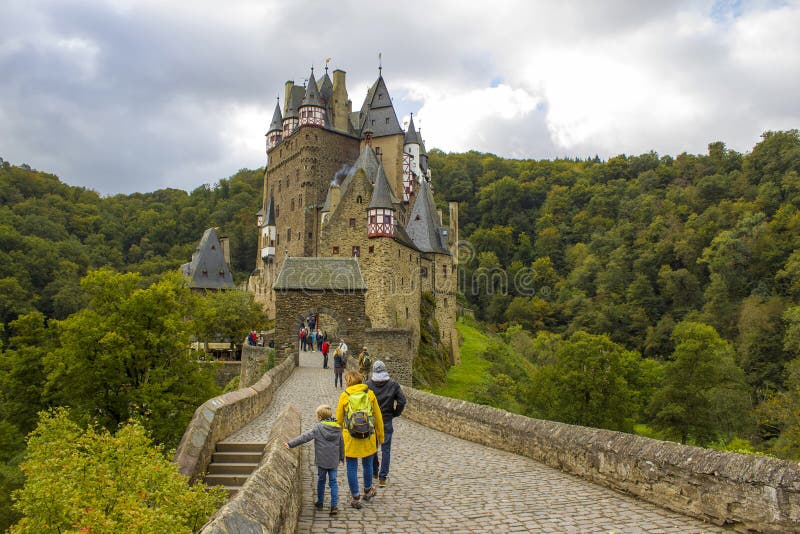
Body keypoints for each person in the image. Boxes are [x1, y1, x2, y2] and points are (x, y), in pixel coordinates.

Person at [336, 370, 384, 510]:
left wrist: (337, 439)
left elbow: (338, 420)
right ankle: (368, 491)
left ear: (348, 382)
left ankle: (356, 497)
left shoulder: (345, 396)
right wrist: (380, 436)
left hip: (350, 437)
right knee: (367, 464)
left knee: (351, 467)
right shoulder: (369, 394)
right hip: (368, 436)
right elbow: (378, 417)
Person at [285, 404, 344, 516]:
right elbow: (342, 444)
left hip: (322, 460)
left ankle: (320, 502)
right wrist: (341, 457)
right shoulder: (337, 428)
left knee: (321, 480)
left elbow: (304, 437)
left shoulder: (318, 428)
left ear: (320, 417)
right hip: (333, 461)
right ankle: (334, 505)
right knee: (333, 482)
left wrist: (290, 444)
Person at [366, 360, 406, 487]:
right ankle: (383, 477)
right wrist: (396, 413)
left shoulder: (368, 385)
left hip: (372, 421)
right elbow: (402, 401)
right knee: (386, 449)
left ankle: (374, 471)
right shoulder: (393, 385)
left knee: (373, 448)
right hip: (387, 419)